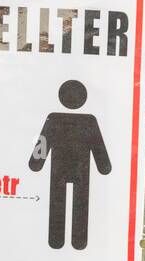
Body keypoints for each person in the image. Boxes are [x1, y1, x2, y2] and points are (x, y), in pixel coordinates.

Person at [28, 80, 111, 250]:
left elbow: (42, 145)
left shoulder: (54, 119)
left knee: (61, 203)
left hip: (62, 170)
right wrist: (103, 166)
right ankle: (76, 241)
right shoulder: (88, 121)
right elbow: (99, 148)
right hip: (79, 171)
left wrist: (36, 163)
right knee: (78, 203)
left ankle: (58, 240)